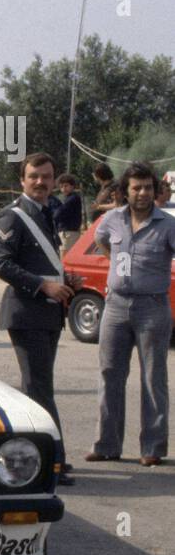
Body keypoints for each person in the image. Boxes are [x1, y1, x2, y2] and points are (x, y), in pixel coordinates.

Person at [0, 152, 84, 482]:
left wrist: (63, 281)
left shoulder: (45, 213)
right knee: (38, 391)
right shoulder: (14, 216)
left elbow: (37, 259)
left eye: (46, 176)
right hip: (27, 313)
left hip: (47, 314)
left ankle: (50, 457)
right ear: (23, 180)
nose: (41, 182)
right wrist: (43, 285)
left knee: (41, 388)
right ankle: (50, 464)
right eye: (34, 177)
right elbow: (0, 263)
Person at [87, 162, 175, 467]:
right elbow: (100, 240)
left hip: (153, 307)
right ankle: (106, 445)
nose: (142, 193)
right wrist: (116, 264)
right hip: (115, 306)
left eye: (148, 187)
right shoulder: (112, 219)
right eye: (136, 187)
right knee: (110, 374)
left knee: (153, 378)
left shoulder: (168, 224)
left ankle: (152, 447)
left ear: (155, 190)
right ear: (125, 191)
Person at [54, 174, 83, 255]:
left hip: (68, 233)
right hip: (68, 232)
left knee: (64, 257)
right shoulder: (68, 198)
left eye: (66, 186)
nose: (63, 189)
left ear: (72, 186)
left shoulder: (73, 198)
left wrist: (52, 217)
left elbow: (59, 213)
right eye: (61, 187)